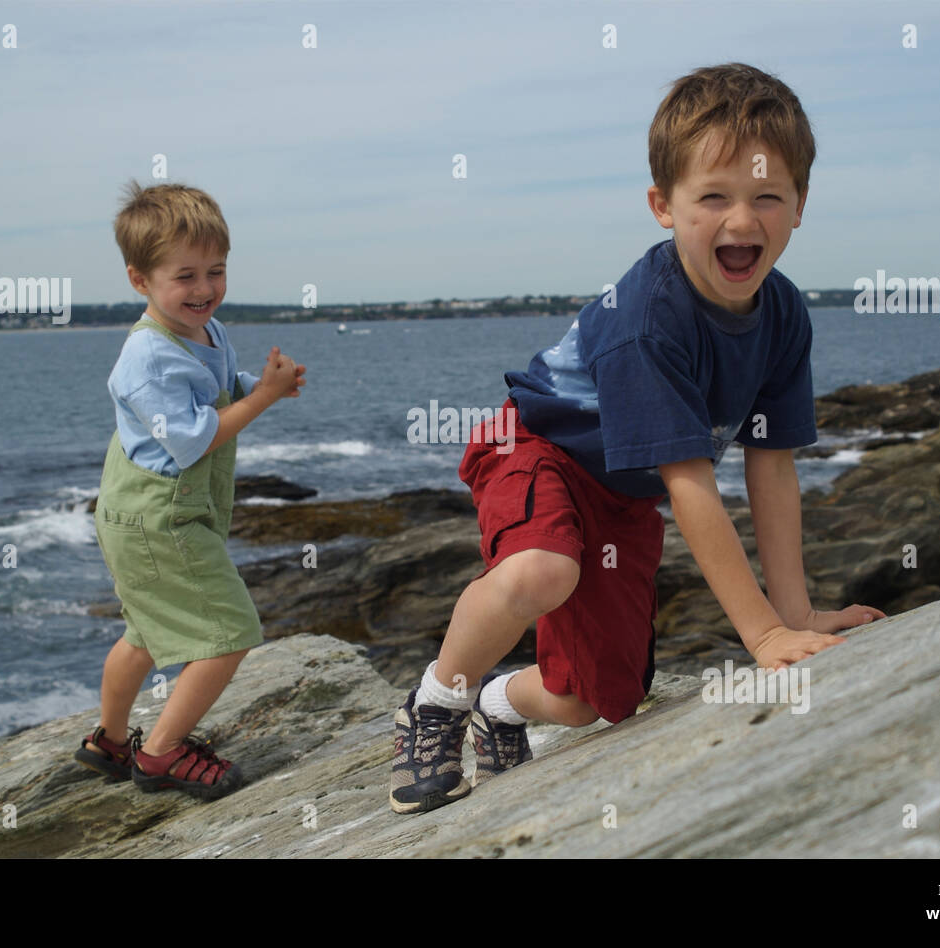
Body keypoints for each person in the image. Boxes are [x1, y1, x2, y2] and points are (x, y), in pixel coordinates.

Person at [390, 62, 885, 815]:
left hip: (622, 492)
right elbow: (690, 482)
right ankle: (436, 703)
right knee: (542, 572)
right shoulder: (649, 317)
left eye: (766, 197)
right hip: (534, 443)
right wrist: (759, 639)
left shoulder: (783, 315)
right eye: (712, 197)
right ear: (662, 205)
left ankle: (499, 706)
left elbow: (772, 466)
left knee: (597, 701)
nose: (742, 221)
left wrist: (793, 618)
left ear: (800, 205)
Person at [75, 181, 305, 800]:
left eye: (216, 271)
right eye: (185, 276)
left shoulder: (206, 330)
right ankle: (159, 756)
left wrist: (262, 384)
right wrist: (263, 399)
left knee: (145, 633)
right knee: (228, 631)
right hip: (158, 520)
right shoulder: (148, 359)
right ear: (139, 279)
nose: (204, 289)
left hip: (159, 514)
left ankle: (110, 742)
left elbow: (220, 386)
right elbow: (194, 440)